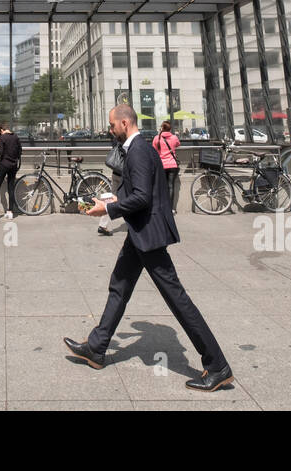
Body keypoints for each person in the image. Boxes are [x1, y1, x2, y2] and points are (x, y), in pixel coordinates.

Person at [65, 104, 235, 393]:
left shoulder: (140, 151)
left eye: (111, 125)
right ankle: (97, 347)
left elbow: (142, 198)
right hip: (140, 233)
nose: (110, 130)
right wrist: (113, 199)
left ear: (124, 122)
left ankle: (217, 366)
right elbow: (139, 193)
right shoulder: (138, 149)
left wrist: (109, 208)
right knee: (119, 286)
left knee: (177, 298)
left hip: (148, 235)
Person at [0, 124, 22, 220]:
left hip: (4, 165)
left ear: (2, 130)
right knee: (11, 188)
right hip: (13, 166)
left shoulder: (3, 137)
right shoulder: (15, 137)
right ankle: (10, 212)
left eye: (0, 131)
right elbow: (20, 151)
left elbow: (0, 152)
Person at [153, 120, 181, 215]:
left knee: (161, 186)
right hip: (172, 165)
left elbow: (154, 150)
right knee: (171, 186)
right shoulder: (174, 137)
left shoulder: (157, 138)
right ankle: (171, 208)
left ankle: (161, 206)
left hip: (161, 165)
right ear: (170, 129)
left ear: (162, 128)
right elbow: (178, 144)